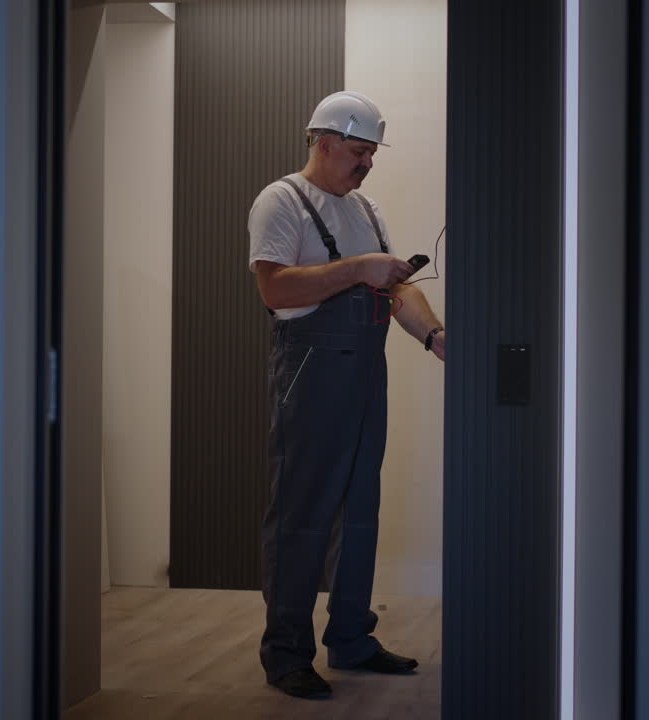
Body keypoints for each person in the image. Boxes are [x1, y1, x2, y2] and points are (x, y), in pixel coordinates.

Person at [246, 90, 446, 700]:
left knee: (359, 513)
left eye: (371, 154)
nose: (366, 165)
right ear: (323, 142)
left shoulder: (368, 209)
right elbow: (275, 289)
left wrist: (436, 334)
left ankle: (352, 639)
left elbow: (401, 291)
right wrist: (358, 270)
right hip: (309, 371)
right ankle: (286, 653)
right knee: (301, 516)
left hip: (365, 372)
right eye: (358, 152)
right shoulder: (281, 201)